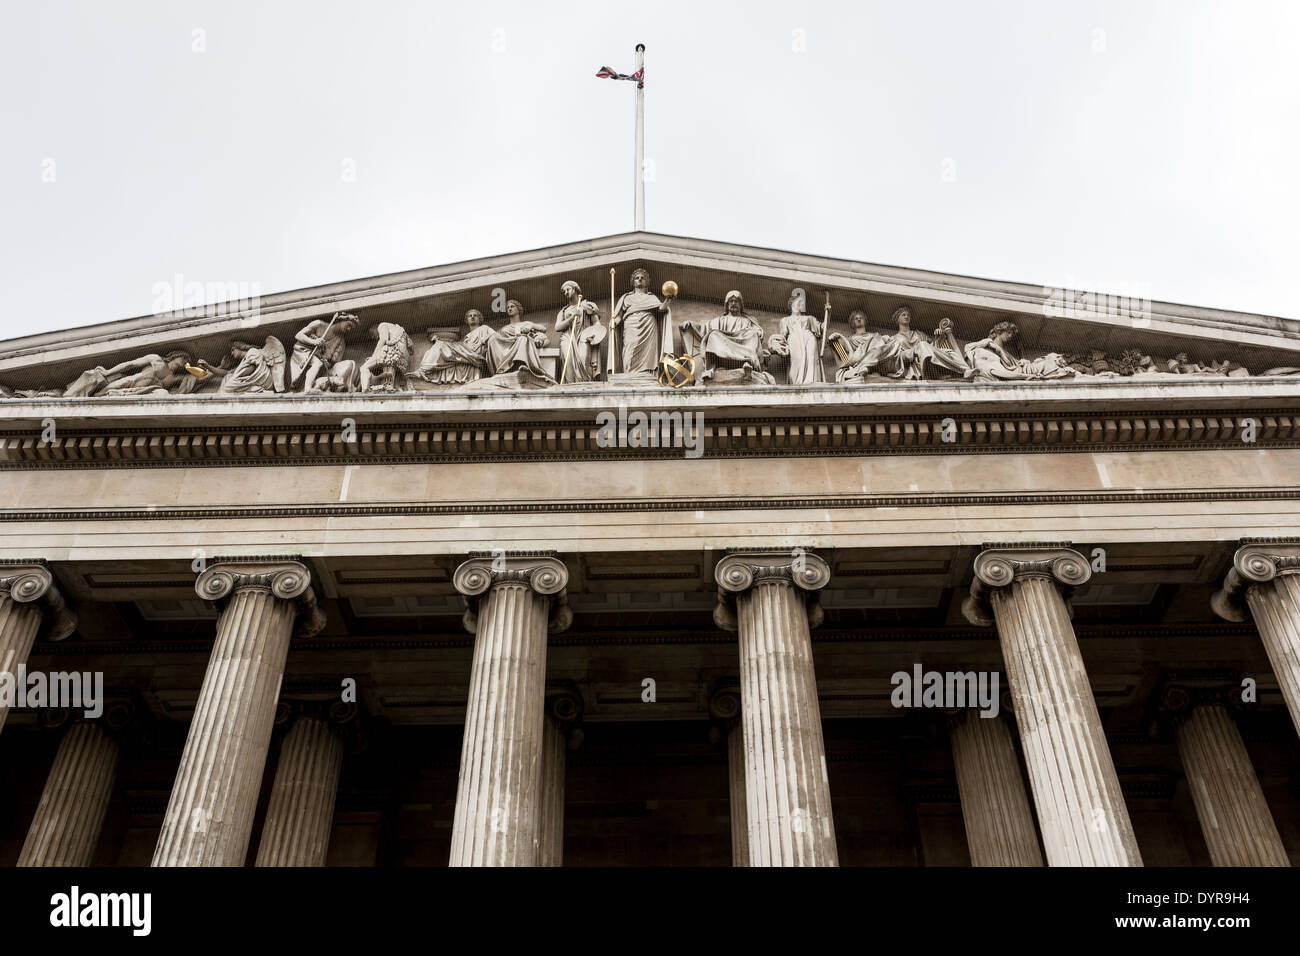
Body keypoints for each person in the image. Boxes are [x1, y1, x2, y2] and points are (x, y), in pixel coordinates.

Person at [610, 268, 669, 373]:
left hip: (648, 325)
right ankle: (629, 373)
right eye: (637, 278)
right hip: (631, 325)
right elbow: (619, 315)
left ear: (647, 282)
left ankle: (647, 373)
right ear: (633, 282)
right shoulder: (626, 298)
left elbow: (661, 308)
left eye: (643, 278)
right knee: (629, 348)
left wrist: (669, 298)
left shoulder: (651, 297)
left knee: (648, 353)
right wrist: (614, 321)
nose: (640, 279)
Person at [417, 310, 494, 385]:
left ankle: (424, 370)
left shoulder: (484, 328)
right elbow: (464, 347)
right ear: (467, 320)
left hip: (473, 354)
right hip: (466, 354)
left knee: (441, 345)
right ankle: (425, 370)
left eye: (475, 315)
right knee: (438, 345)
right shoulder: (467, 337)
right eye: (470, 316)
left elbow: (495, 338)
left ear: (480, 319)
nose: (472, 317)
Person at [768, 288, 824, 384]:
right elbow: (783, 336)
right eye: (797, 302)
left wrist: (829, 313)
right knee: (796, 361)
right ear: (791, 304)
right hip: (794, 341)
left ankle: (811, 382)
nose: (799, 305)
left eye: (801, 303)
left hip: (809, 339)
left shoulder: (809, 318)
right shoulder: (785, 320)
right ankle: (796, 383)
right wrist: (774, 342)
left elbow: (822, 328)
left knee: (811, 359)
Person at [555, 281, 605, 383]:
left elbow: (597, 323)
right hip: (568, 338)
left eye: (568, 289)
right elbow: (557, 327)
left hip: (584, 336)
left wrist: (594, 335)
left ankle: (584, 384)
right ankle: (569, 386)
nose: (566, 293)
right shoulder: (564, 311)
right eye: (564, 291)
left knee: (583, 358)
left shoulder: (586, 306)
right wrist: (571, 319)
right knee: (568, 361)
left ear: (575, 289)